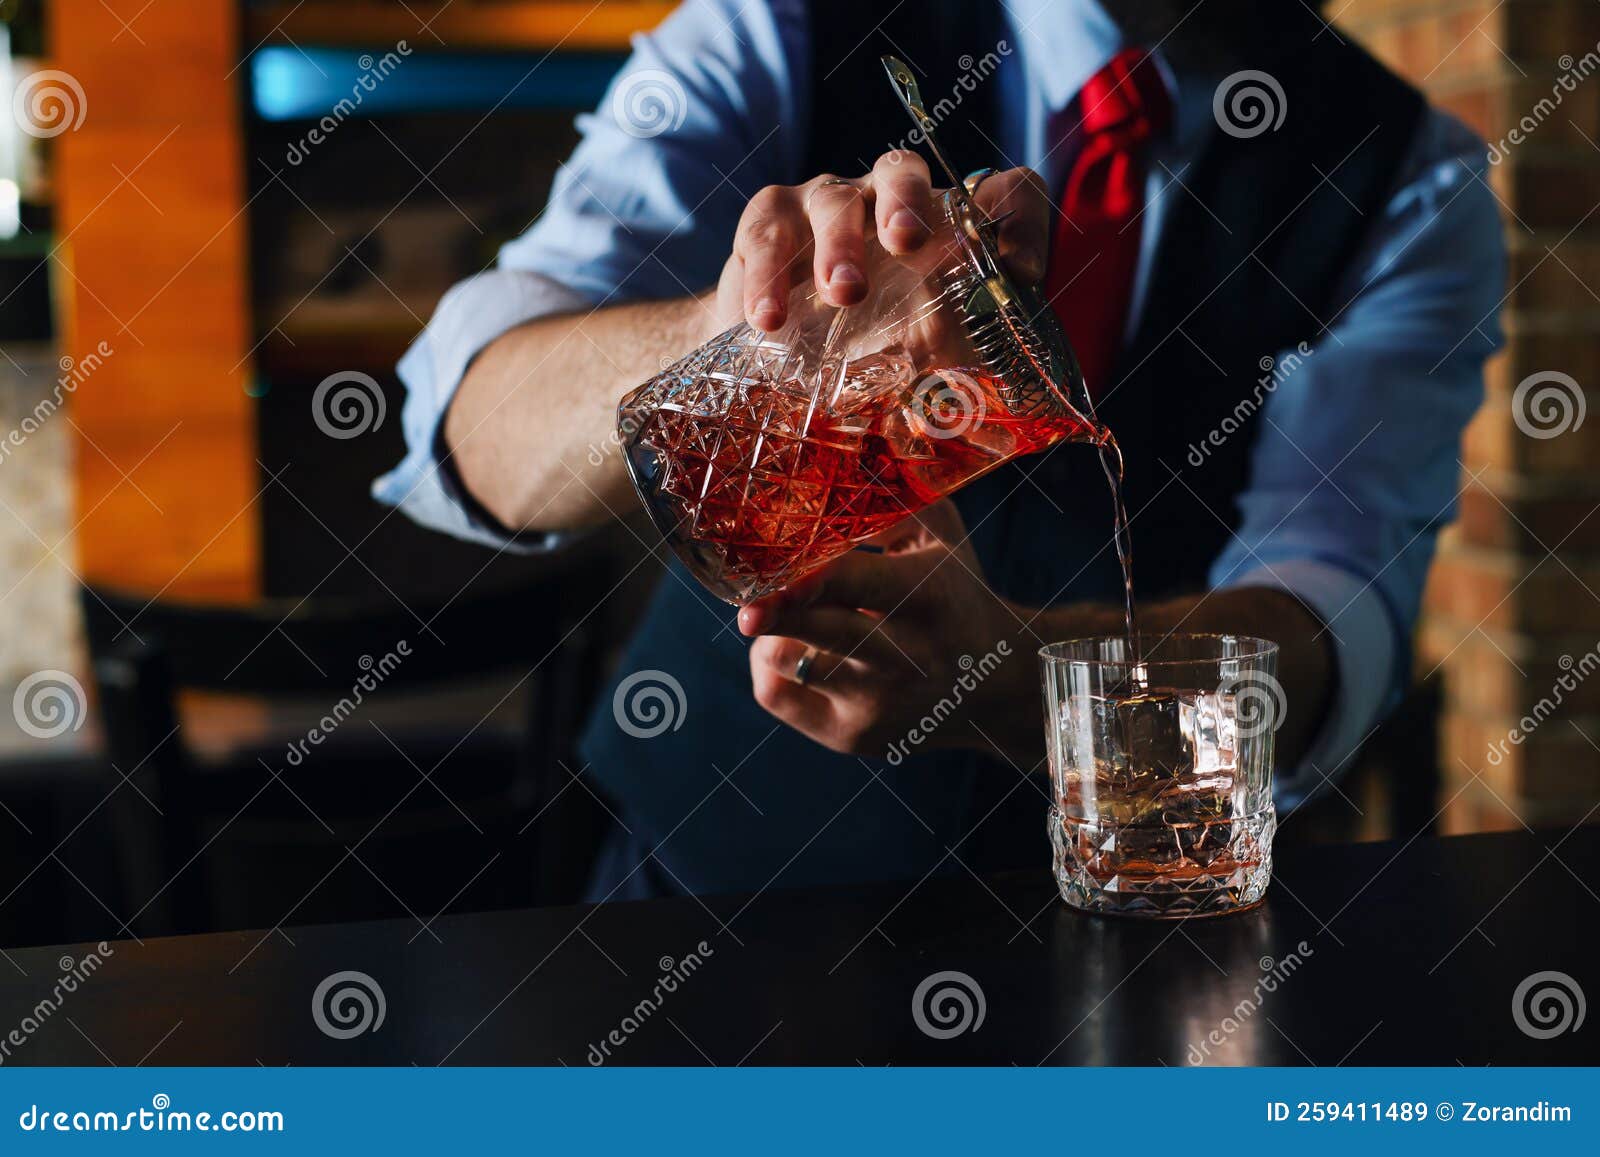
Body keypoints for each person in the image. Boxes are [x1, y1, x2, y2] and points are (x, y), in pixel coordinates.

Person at [375, 0, 1505, 900]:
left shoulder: (1407, 173)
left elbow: (1333, 610)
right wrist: (726, 337)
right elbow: (462, 426)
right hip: (704, 897)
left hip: (1131, 930)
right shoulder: (785, 24)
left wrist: (1011, 678)